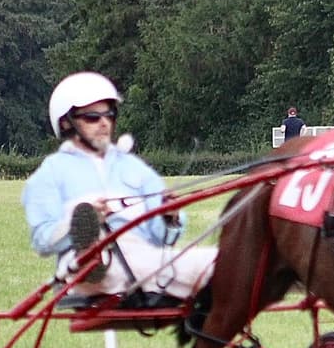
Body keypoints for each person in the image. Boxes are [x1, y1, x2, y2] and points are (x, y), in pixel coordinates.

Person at [22, 72, 216, 307]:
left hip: (145, 258)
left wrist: (170, 218)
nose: (104, 123)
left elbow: (162, 239)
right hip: (83, 265)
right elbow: (43, 241)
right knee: (87, 221)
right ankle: (93, 253)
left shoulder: (135, 168)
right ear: (66, 122)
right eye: (93, 117)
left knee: (219, 261)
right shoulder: (51, 172)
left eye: (109, 115)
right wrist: (81, 222)